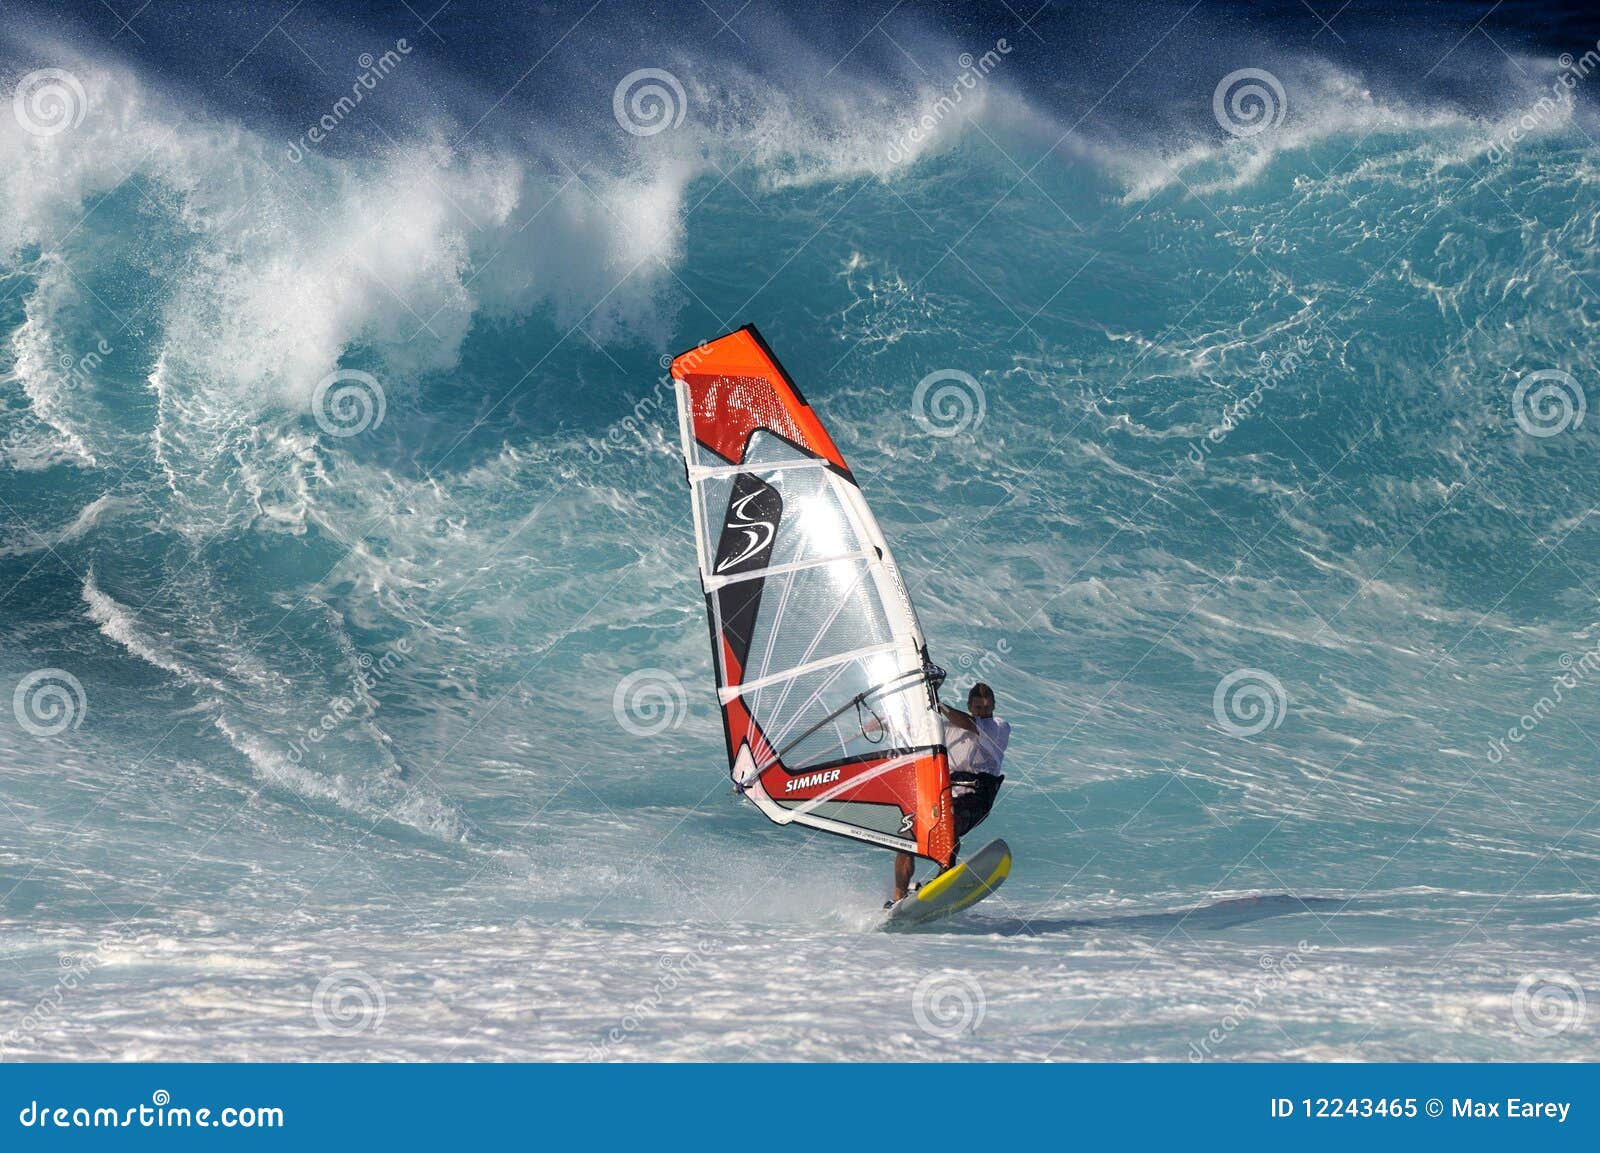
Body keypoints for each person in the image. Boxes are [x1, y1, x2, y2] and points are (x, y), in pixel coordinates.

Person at [891, 681, 1010, 903]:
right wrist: (884, 724)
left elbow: (967, 722)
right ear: (969, 706)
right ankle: (899, 896)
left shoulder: (998, 727)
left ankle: (943, 879)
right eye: (977, 708)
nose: (982, 712)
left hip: (977, 798)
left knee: (948, 825)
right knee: (907, 835)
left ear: (994, 706)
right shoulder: (947, 729)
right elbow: (912, 731)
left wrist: (939, 704)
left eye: (987, 707)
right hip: (947, 795)